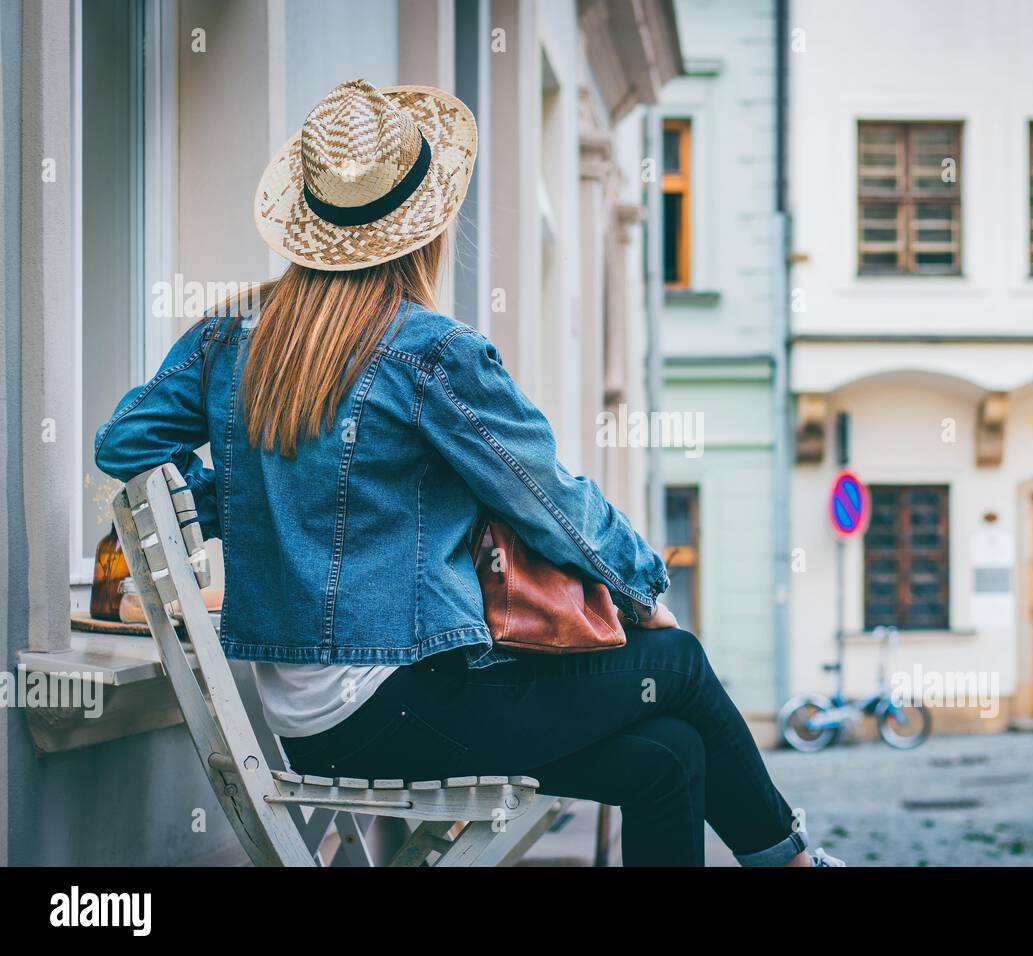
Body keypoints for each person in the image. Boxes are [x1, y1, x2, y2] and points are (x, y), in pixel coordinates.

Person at [95, 79, 842, 868]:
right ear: (425, 229)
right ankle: (792, 863)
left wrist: (230, 501)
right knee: (680, 665)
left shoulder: (231, 338)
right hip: (401, 702)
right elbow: (548, 501)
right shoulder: (430, 352)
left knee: (668, 757)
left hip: (305, 725)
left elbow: (124, 443)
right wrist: (642, 590)